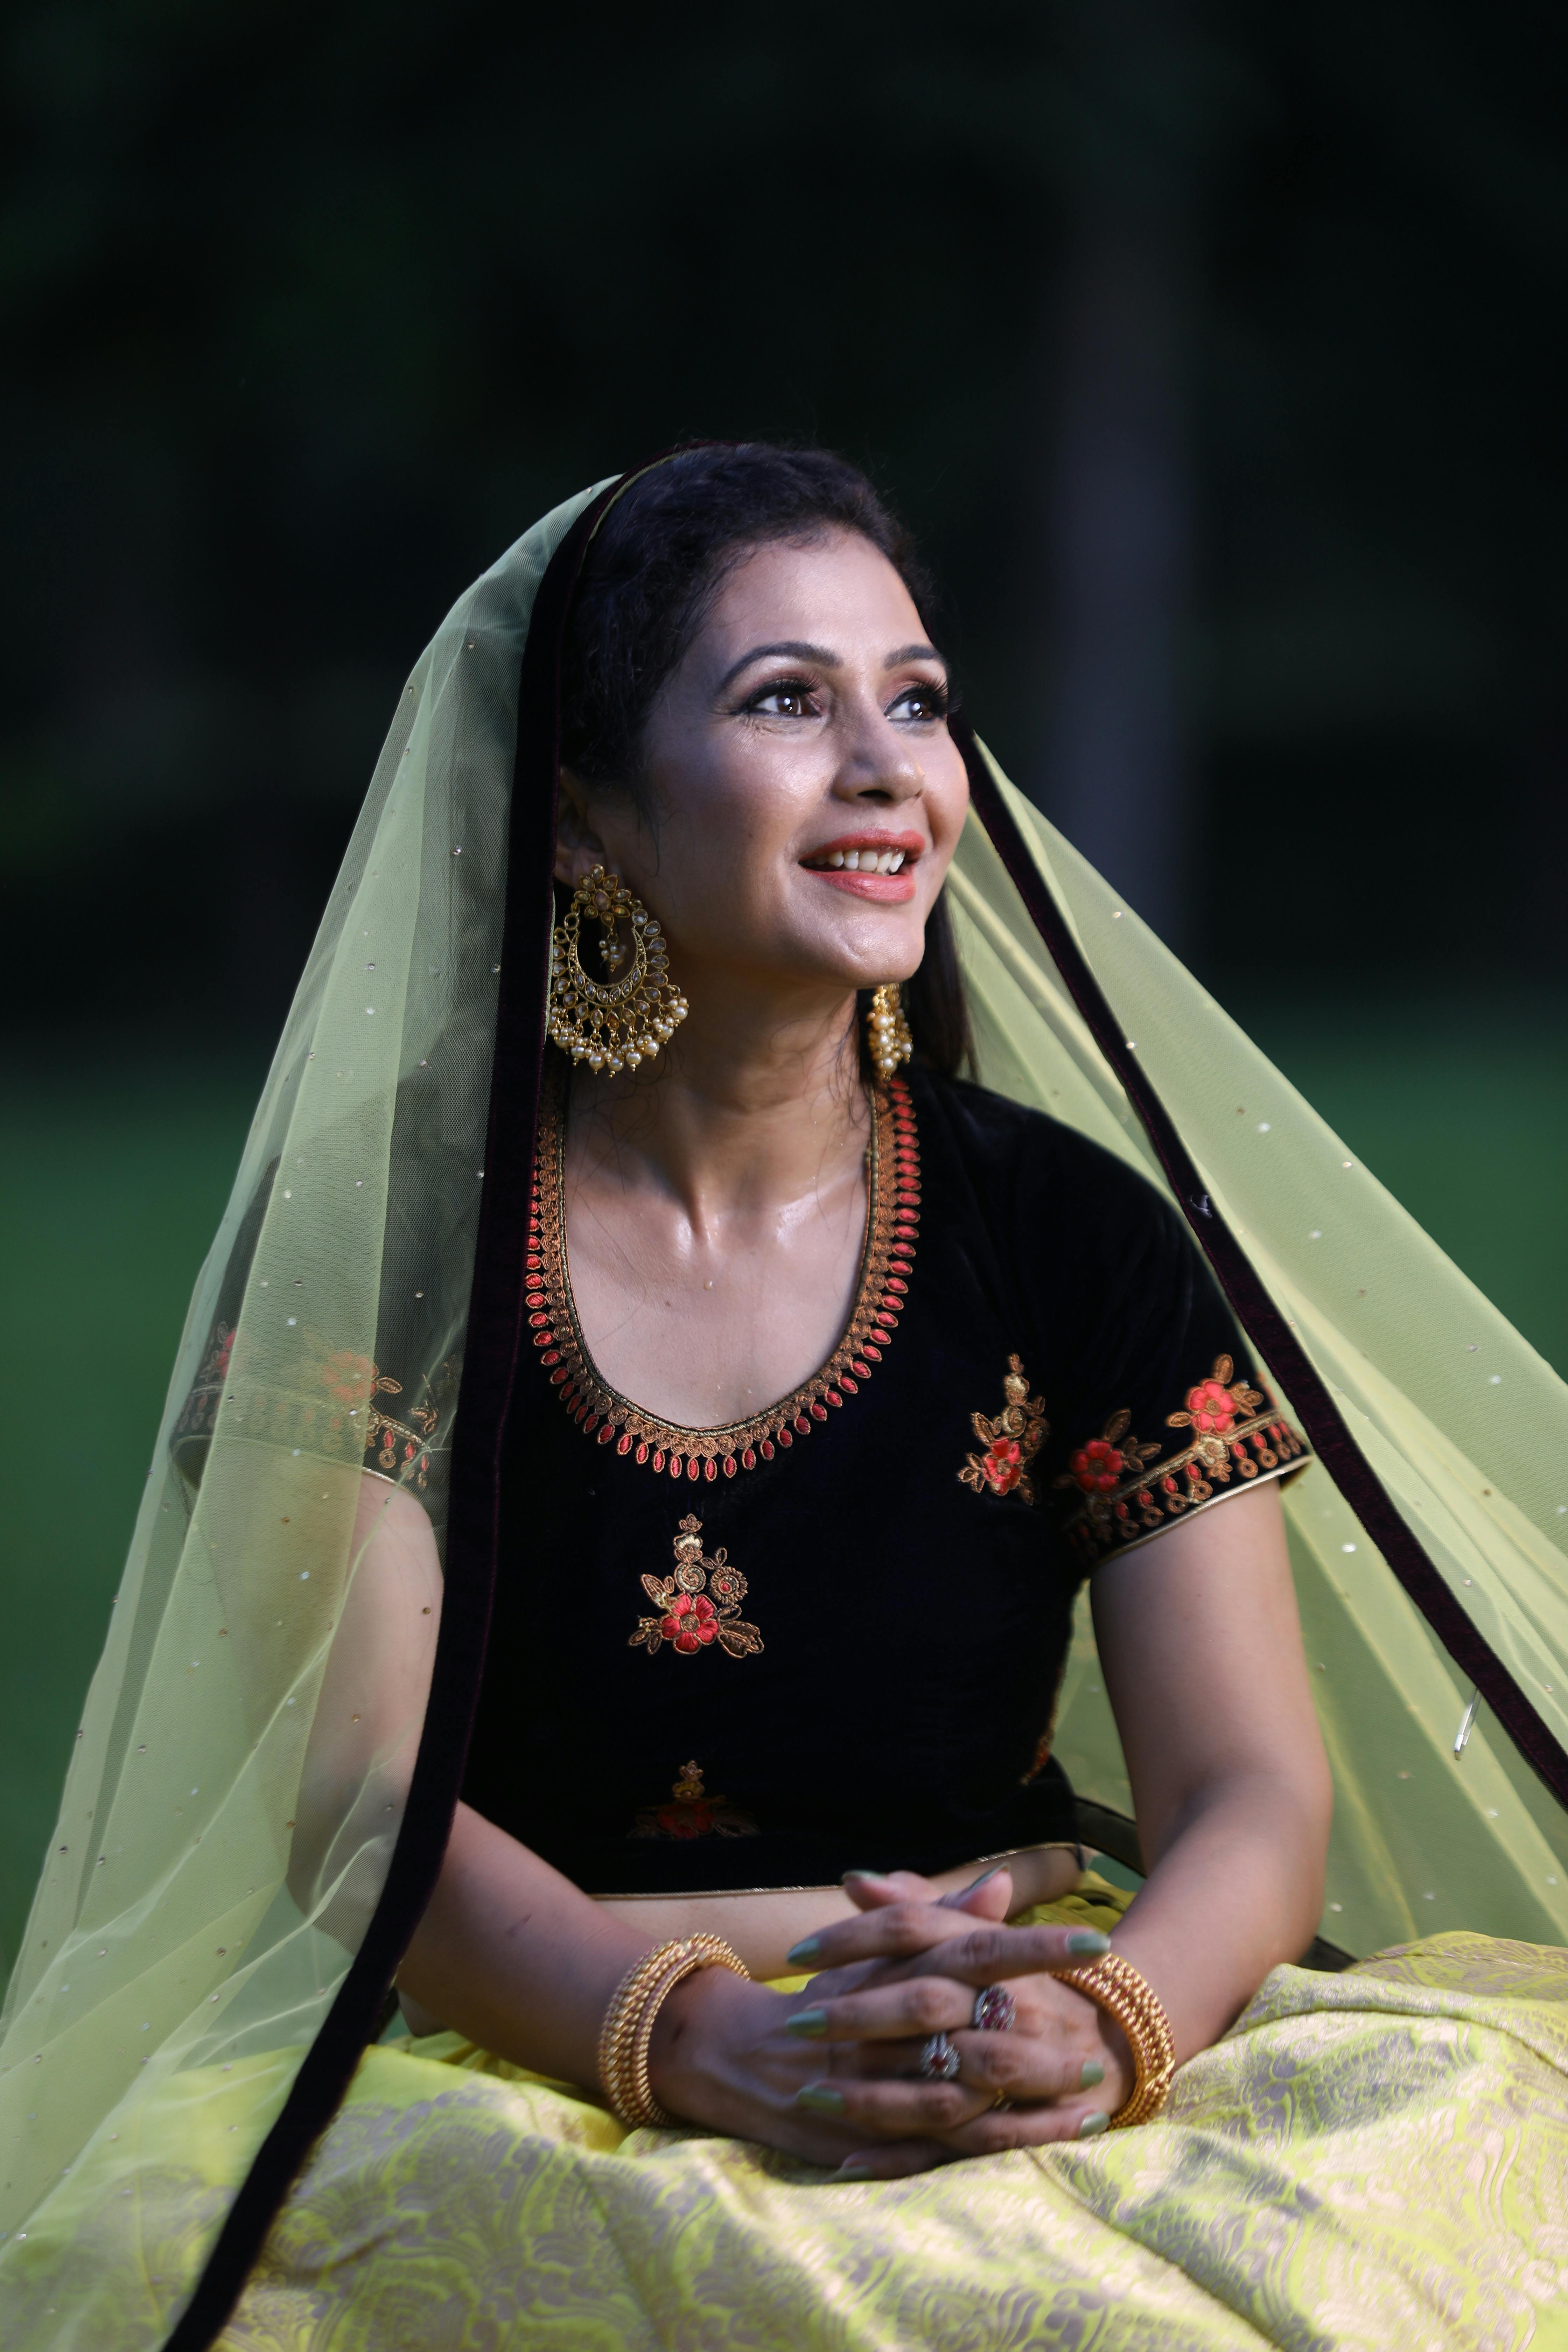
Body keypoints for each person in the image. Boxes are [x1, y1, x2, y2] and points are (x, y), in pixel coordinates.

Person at [4, 445, 1567, 2352]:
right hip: (548, 2059)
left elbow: (1247, 1791)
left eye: (915, 701)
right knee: (155, 2266)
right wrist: (700, 2040)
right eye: (784, 702)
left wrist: (1100, 2024)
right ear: (582, 819)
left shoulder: (1070, 1237)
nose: (887, 767)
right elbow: (361, 1799)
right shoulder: (392, 1240)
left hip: (1017, 2020)